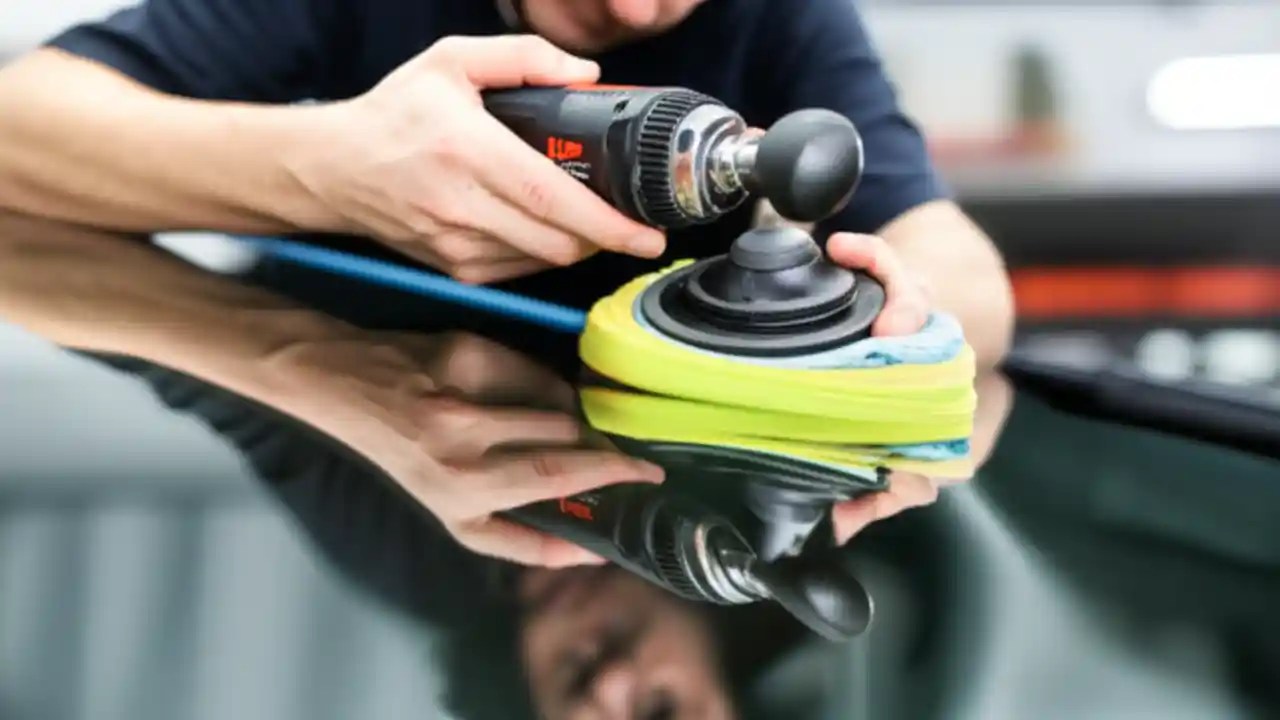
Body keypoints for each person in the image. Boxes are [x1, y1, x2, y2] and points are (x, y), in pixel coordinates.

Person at [0, 0, 1015, 565]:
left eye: (576, 683)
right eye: (652, 706)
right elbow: (17, 126)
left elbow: (968, 280)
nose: (634, 9)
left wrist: (891, 308)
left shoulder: (786, 20)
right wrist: (328, 171)